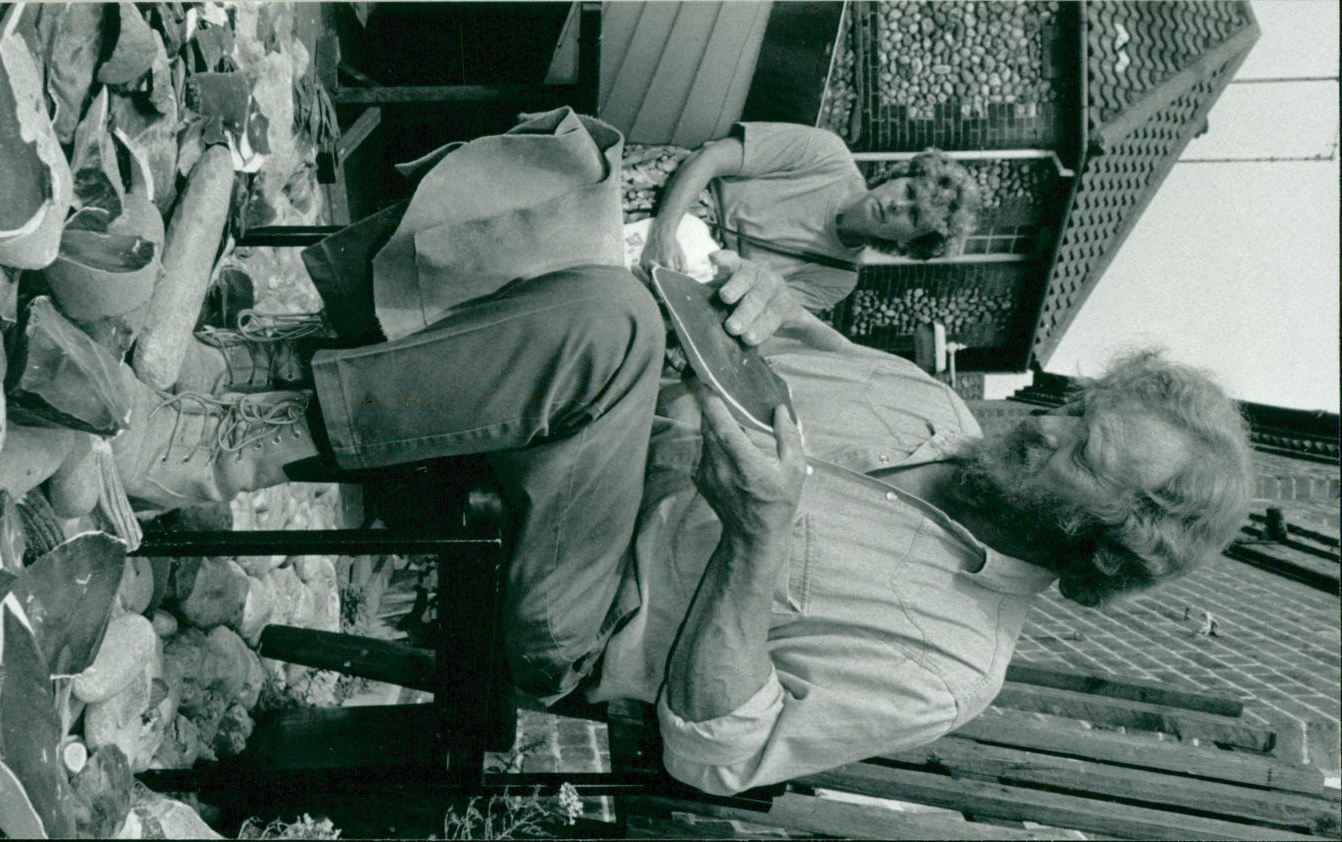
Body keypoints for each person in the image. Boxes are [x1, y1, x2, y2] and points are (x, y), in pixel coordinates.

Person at [109, 110, 1253, 796]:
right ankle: (257, 348)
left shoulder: (947, 664)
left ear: (1099, 540)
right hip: (588, 436)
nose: (1039, 420)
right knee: (571, 169)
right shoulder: (926, 407)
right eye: (1072, 402)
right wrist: (751, 294)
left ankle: (224, 443)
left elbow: (717, 747)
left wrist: (754, 537)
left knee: (603, 320)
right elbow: (771, 337)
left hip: (584, 608)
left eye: (1075, 444)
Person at [638, 122, 983, 313]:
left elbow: (751, 306)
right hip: (675, 198)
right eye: (908, 191)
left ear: (908, 241)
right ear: (898, 175)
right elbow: (711, 158)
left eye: (914, 216)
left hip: (697, 275)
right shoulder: (826, 154)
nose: (897, 206)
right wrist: (664, 233)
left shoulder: (838, 279)